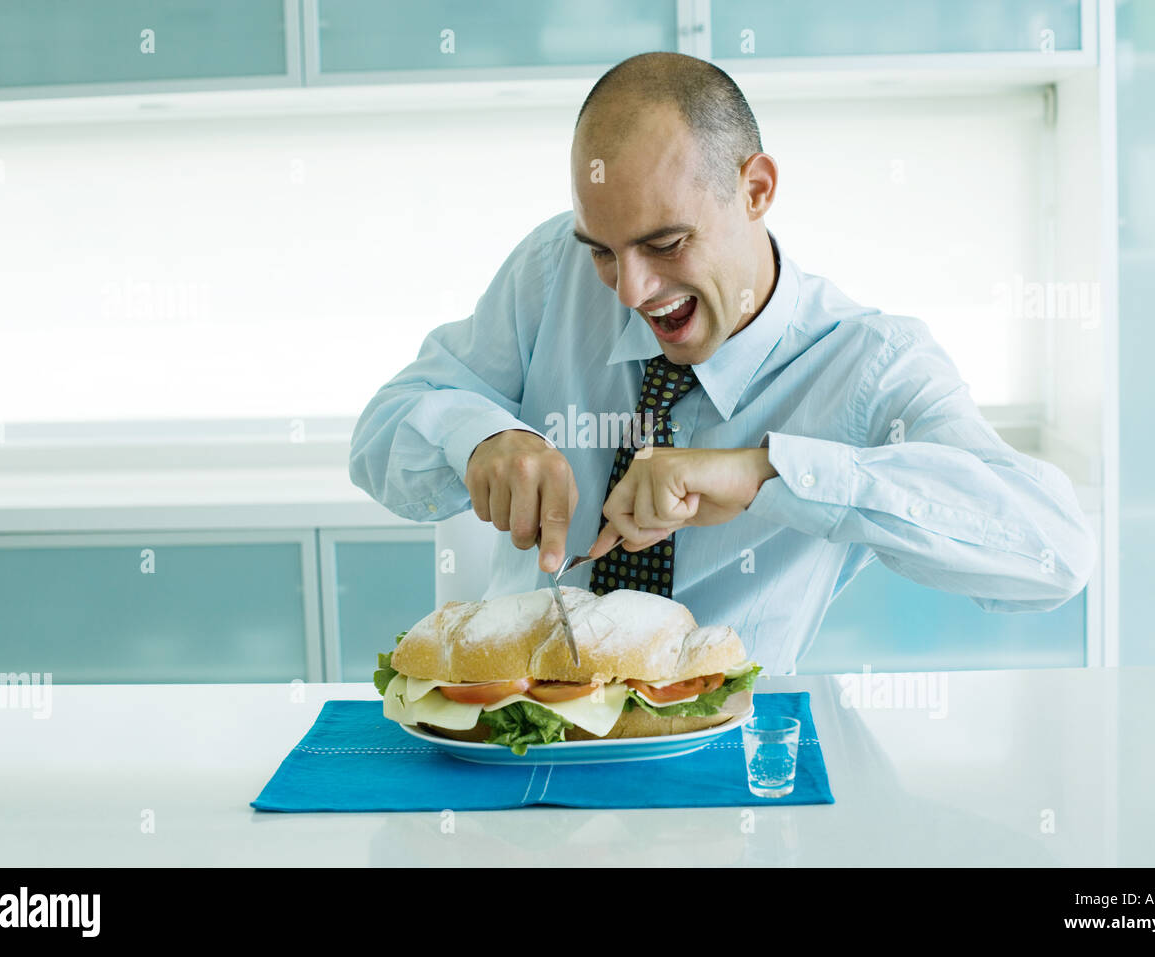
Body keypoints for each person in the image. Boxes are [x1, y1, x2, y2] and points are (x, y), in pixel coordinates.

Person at [349, 52, 1096, 675]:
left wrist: (767, 474)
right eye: (605, 251)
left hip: (726, 764)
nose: (631, 290)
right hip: (518, 728)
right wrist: (478, 437)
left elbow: (1056, 553)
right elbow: (381, 433)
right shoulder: (554, 268)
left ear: (756, 190)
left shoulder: (869, 363)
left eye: (666, 244)